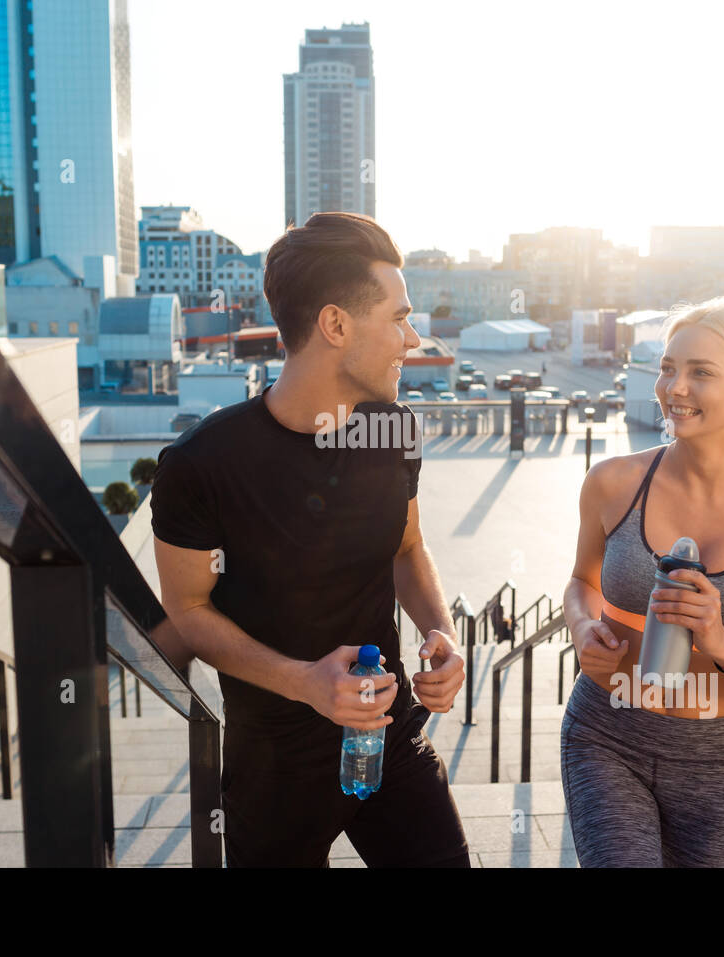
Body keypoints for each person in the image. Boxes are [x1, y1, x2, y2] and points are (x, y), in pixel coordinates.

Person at [151, 211, 470, 868]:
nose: (412, 338)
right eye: (398, 317)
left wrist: (442, 632)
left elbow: (407, 547)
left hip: (388, 732)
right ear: (335, 325)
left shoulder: (394, 430)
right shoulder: (200, 464)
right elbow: (188, 612)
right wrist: (305, 682)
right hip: (273, 767)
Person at [560, 296, 724, 867]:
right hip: (606, 733)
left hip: (716, 759)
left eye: (700, 373)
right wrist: (583, 629)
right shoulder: (611, 482)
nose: (673, 387)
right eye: (668, 368)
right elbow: (582, 582)